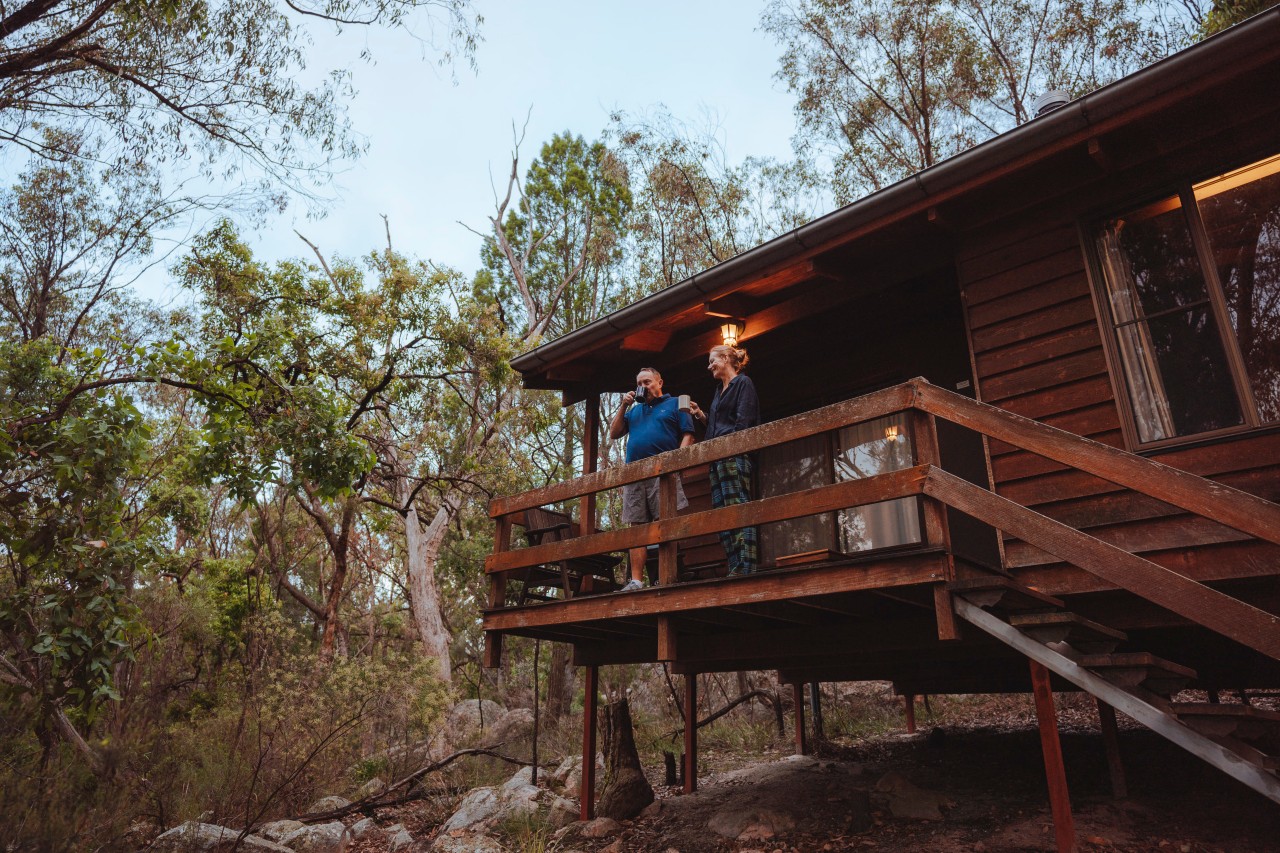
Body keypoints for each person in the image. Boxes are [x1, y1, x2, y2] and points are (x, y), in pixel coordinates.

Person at [609, 367, 695, 591]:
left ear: (660, 382)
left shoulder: (677, 402)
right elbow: (614, 433)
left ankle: (667, 575)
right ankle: (637, 580)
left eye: (647, 382)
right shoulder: (634, 411)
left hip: (663, 472)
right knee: (636, 526)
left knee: (665, 522)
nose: (643, 386)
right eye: (639, 383)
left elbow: (688, 434)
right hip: (634, 473)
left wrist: (676, 464)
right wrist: (624, 405)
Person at [687, 345, 760, 576]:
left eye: (712, 361)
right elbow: (718, 425)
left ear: (726, 358)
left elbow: (743, 421)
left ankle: (746, 567)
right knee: (722, 512)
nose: (709, 366)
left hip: (734, 455)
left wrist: (733, 449)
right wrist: (701, 415)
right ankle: (734, 565)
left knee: (737, 507)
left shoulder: (743, 383)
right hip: (716, 457)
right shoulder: (719, 390)